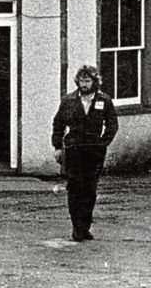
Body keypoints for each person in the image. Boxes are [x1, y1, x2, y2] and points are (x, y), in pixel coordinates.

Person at [51, 65, 118, 242]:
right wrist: (57, 147)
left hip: (94, 150)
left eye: (88, 81)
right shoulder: (69, 101)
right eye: (82, 81)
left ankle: (85, 226)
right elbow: (58, 124)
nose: (84, 84)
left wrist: (103, 142)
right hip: (74, 149)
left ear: (95, 82)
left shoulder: (104, 100)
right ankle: (77, 227)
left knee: (90, 190)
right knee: (74, 188)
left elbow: (112, 124)